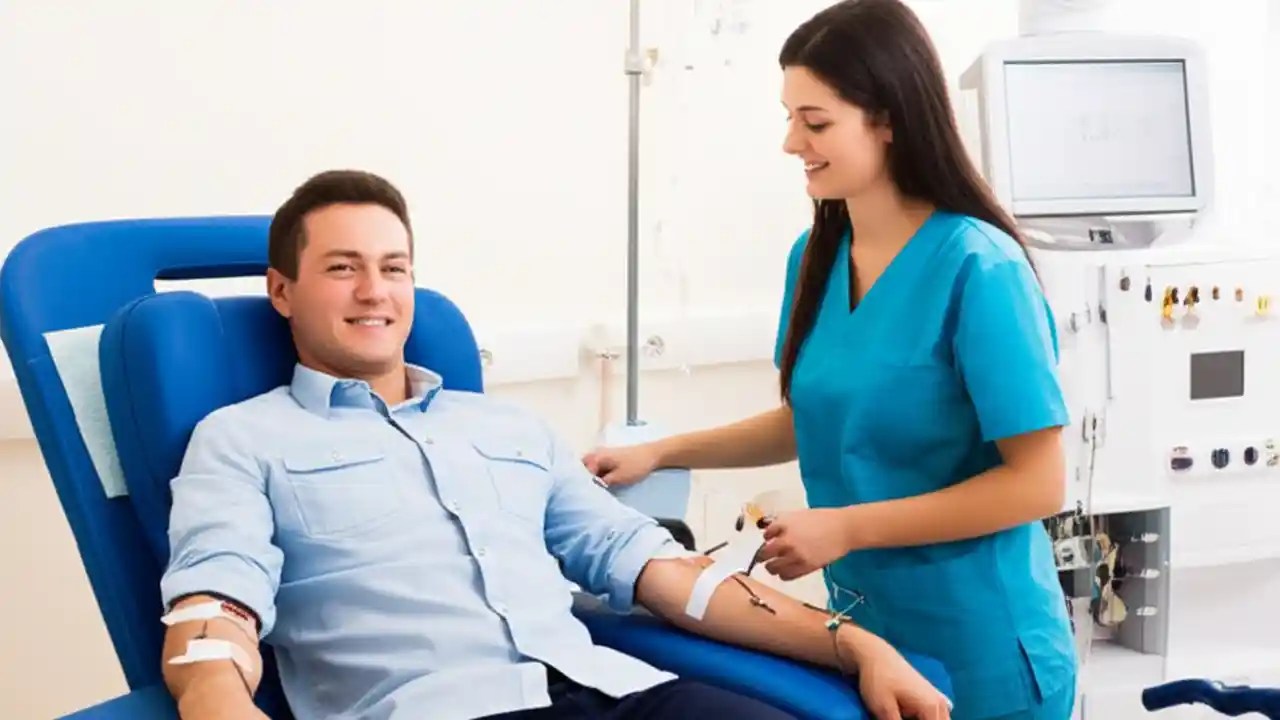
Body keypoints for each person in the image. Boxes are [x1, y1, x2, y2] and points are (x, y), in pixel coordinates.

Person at [158, 169, 953, 720]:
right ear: (281, 289)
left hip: (610, 693)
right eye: (343, 268)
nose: (376, 291)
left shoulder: (505, 429)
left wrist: (853, 645)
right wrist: (216, 700)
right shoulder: (241, 441)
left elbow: (659, 568)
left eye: (394, 267)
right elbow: (213, 613)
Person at [582, 2, 1078, 719]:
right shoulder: (818, 255)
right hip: (873, 631)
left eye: (815, 123)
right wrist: (661, 452)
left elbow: (1037, 484)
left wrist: (846, 527)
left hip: (985, 643)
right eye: (789, 118)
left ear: (888, 119)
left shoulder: (979, 267)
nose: (792, 142)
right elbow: (812, 417)